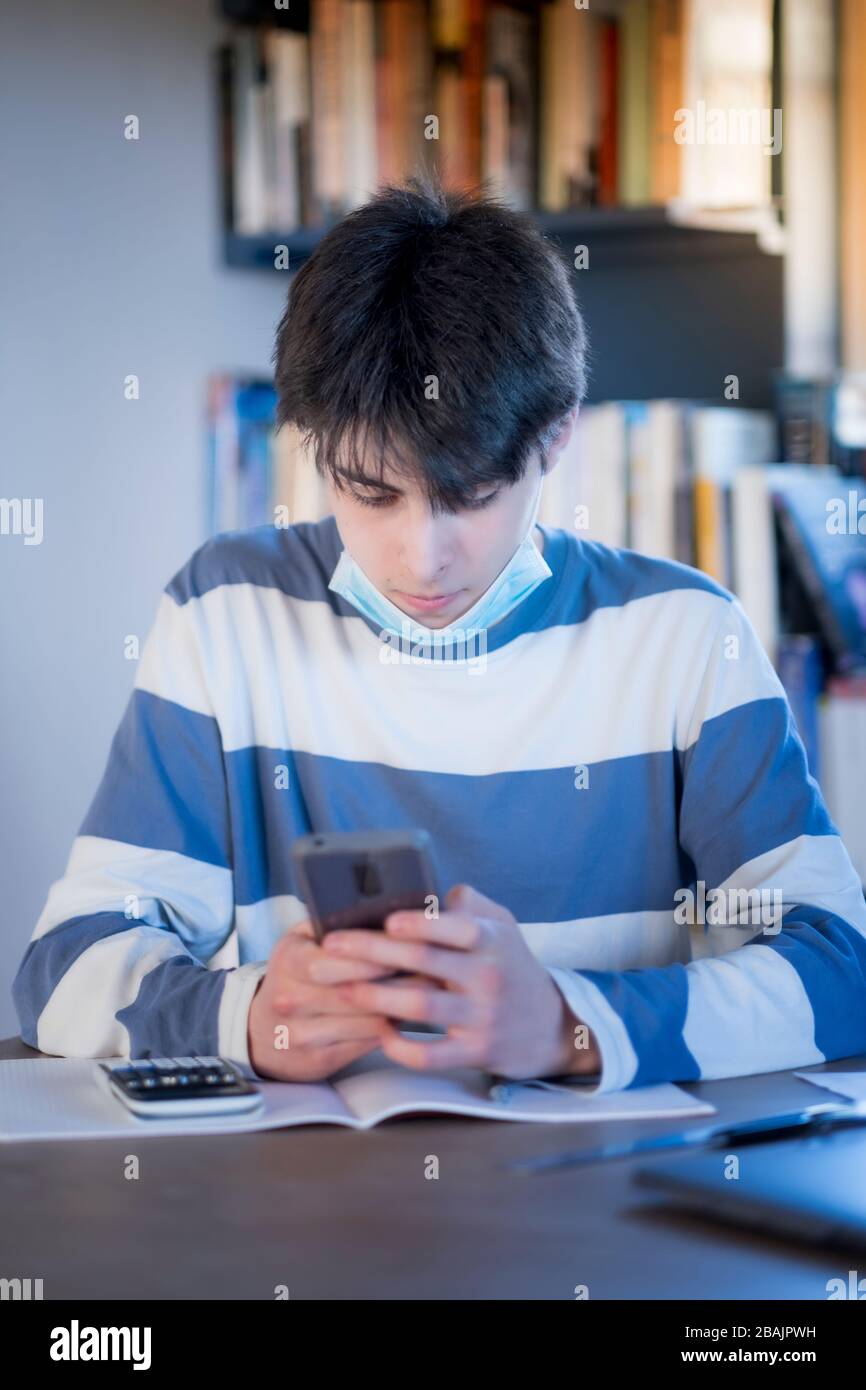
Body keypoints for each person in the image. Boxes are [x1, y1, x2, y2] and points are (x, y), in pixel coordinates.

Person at [14, 175, 866, 1092]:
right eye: (369, 494)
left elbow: (843, 972)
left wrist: (569, 1025)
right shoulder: (225, 612)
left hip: (610, 1207)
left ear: (554, 439)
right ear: (310, 445)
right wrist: (250, 1016)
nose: (422, 558)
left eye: (470, 497)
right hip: (305, 1204)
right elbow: (64, 967)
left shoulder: (687, 636)